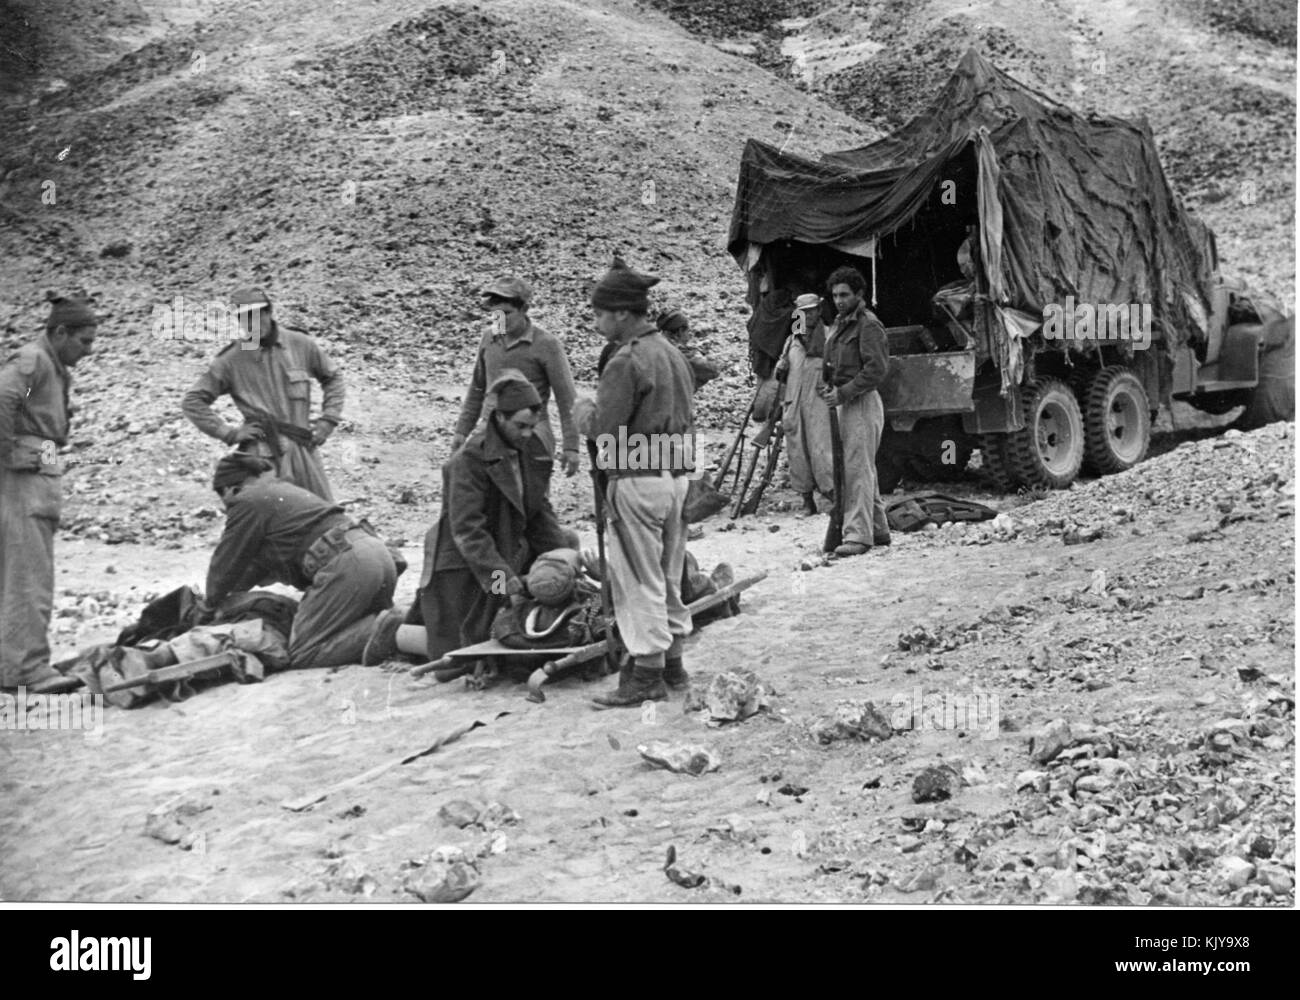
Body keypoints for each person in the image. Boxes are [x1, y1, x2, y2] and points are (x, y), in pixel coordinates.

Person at [371, 371, 576, 666]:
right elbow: (468, 532)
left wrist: (561, 560)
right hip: (468, 564)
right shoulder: (469, 460)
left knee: (564, 549)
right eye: (520, 426)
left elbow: (540, 513)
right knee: (468, 649)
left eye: (532, 427)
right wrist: (502, 582)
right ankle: (393, 631)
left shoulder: (532, 449)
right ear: (499, 418)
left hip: (507, 549)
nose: (528, 434)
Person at [587, 258, 695, 708]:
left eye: (599, 313)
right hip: (675, 478)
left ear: (622, 314)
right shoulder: (671, 353)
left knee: (639, 579)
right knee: (669, 575)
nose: (596, 322)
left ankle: (646, 674)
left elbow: (604, 429)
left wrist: (581, 415)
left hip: (636, 479)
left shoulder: (626, 360)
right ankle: (673, 663)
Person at [201, 453, 398, 670]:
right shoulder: (283, 492)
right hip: (377, 554)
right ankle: (404, 624)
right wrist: (229, 597)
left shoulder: (246, 501)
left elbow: (226, 563)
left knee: (303, 652)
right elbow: (250, 570)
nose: (229, 509)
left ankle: (389, 626)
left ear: (230, 490)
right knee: (347, 627)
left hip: (347, 564)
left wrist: (208, 605)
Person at [0, 292, 97, 693]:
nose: (88, 351)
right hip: (26, 479)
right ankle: (28, 669)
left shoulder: (51, 366)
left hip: (37, 470)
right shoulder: (36, 361)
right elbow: (4, 398)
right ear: (60, 333)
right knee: (29, 575)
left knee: (17, 572)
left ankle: (13, 666)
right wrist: (8, 451)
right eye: (84, 341)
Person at [183, 287, 344, 501]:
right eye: (244, 317)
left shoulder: (300, 344)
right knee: (272, 520)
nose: (252, 324)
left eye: (256, 315)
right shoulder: (232, 359)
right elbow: (193, 401)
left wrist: (328, 420)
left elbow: (332, 378)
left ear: (269, 312)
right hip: (263, 456)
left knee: (323, 515)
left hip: (304, 451)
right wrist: (229, 433)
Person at [452, 276, 580, 478]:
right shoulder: (488, 339)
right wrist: (462, 431)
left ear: (524, 309)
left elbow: (567, 400)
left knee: (529, 499)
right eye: (495, 315)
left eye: (507, 314)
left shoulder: (546, 344)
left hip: (530, 433)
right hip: (490, 431)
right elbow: (477, 389)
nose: (500, 320)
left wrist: (571, 447)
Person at [820, 265, 892, 556]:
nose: (838, 300)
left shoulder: (868, 325)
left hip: (861, 402)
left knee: (857, 469)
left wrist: (843, 392)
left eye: (845, 294)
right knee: (861, 467)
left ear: (859, 294)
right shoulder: (841, 324)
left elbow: (876, 370)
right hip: (845, 403)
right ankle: (878, 529)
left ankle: (858, 536)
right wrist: (828, 387)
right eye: (835, 295)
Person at [775, 292, 834, 515]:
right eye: (804, 312)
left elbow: (839, 369)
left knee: (822, 450)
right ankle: (807, 500)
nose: (808, 316)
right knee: (797, 453)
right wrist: (779, 370)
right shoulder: (792, 340)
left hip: (818, 404)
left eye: (812, 311)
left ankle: (831, 495)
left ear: (819, 311)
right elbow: (782, 371)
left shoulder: (830, 337)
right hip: (794, 403)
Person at [655, 309, 721, 391]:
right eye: (687, 330)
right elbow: (712, 370)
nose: (689, 334)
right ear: (680, 331)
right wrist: (699, 355)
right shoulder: (677, 353)